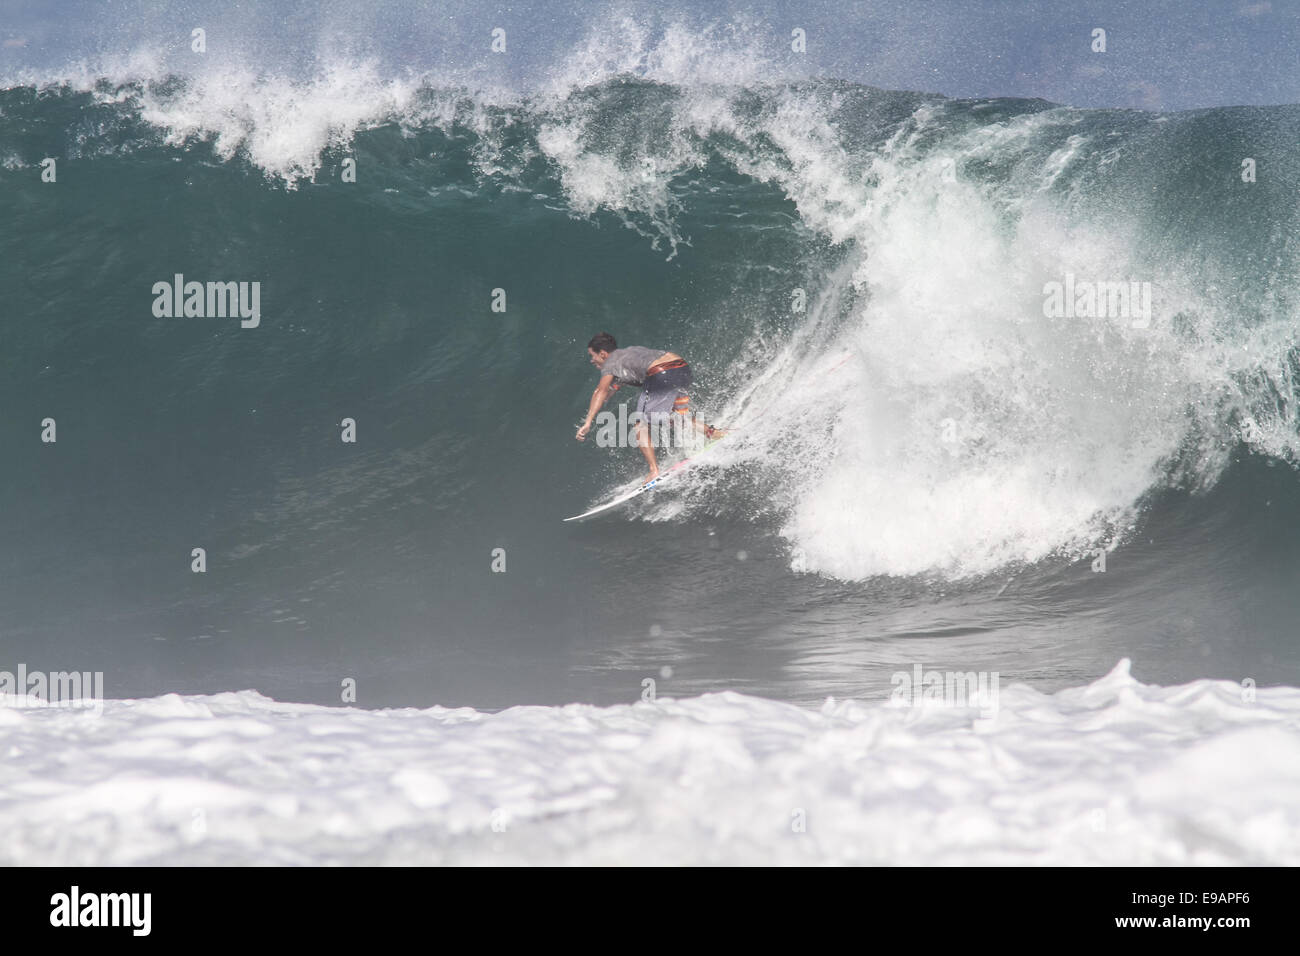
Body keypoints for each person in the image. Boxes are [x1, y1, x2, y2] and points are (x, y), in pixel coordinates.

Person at [575, 332, 723, 485]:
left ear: (603, 354)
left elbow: (600, 391)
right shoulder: (629, 353)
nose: (592, 360)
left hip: (661, 373)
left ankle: (654, 470)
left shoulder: (610, 363)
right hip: (681, 368)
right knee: (671, 417)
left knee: (640, 424)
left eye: (592, 356)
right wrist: (612, 390)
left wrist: (588, 422)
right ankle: (714, 433)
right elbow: (626, 377)